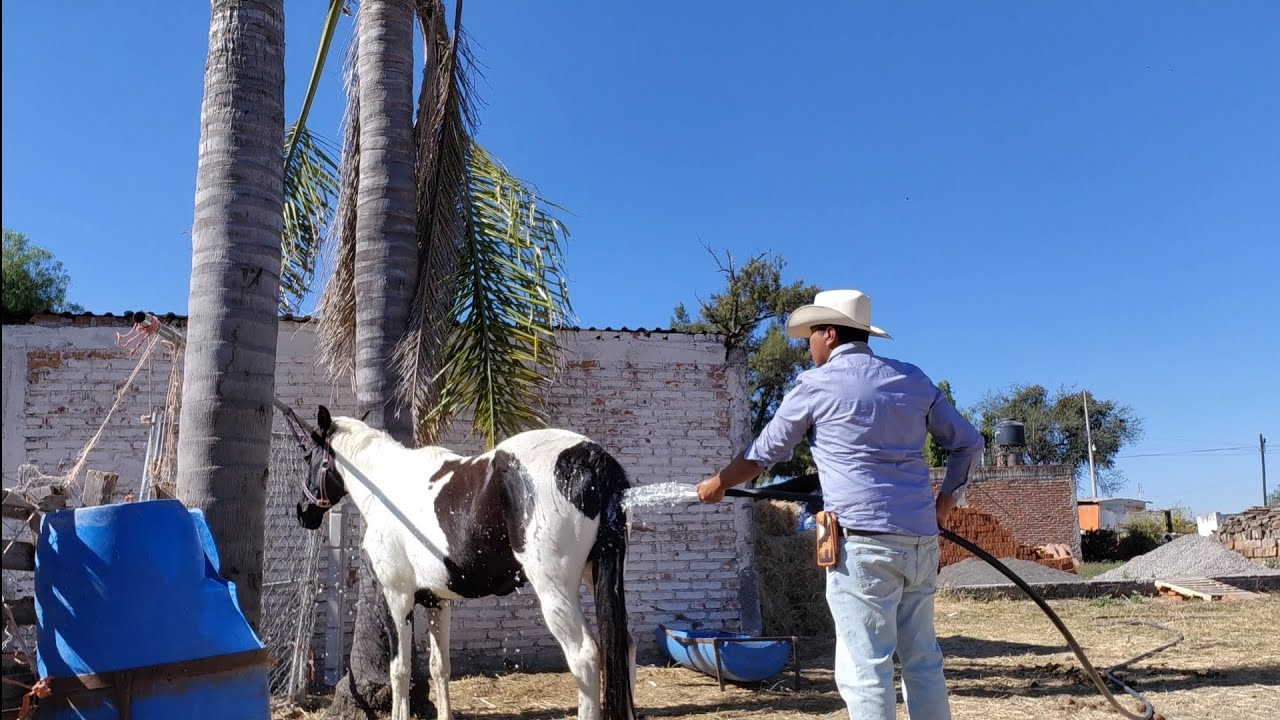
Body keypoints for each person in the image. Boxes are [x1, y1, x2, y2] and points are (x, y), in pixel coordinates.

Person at [697, 289, 983, 720]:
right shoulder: (913, 380)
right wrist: (944, 504)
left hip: (862, 547)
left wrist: (718, 483)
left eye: (811, 334)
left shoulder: (816, 386)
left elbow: (764, 454)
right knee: (922, 658)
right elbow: (969, 444)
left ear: (829, 334)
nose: (807, 345)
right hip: (921, 542)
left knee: (865, 667)